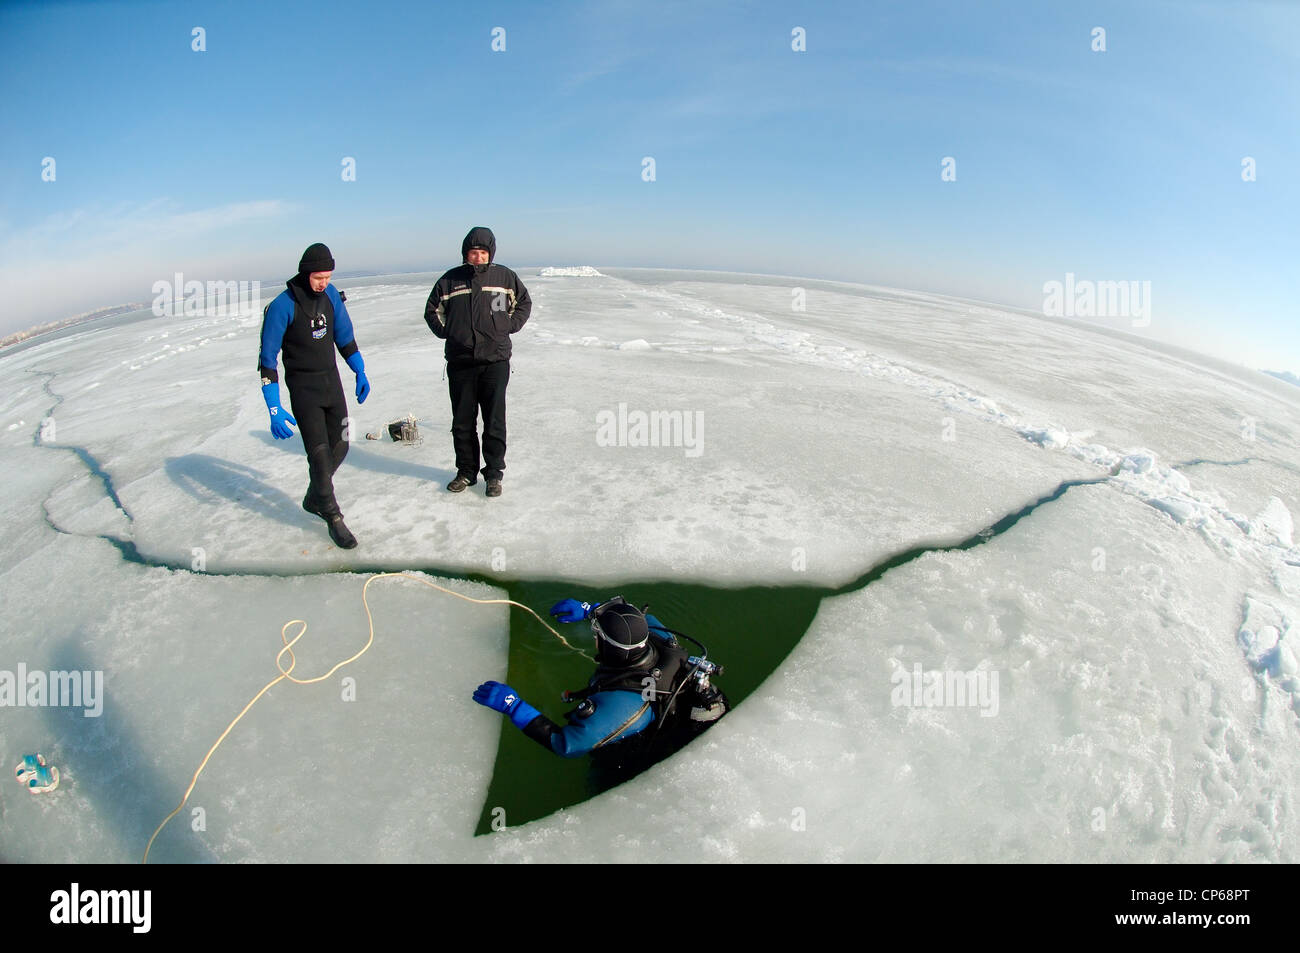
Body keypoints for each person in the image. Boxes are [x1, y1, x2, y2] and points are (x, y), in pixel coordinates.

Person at [472, 597, 727, 765]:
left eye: (597, 634)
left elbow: (568, 744)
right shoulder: (659, 638)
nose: (593, 636)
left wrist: (514, 706)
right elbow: (634, 615)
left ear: (608, 647)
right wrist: (591, 610)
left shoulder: (625, 705)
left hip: (634, 748)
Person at [258, 242, 371, 549]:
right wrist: (274, 407)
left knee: (342, 445)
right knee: (319, 455)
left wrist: (359, 370)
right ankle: (333, 516)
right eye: (319, 277)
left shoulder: (332, 296)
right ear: (306, 273)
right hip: (304, 389)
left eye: (329, 277)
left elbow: (345, 337)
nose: (324, 283)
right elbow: (268, 360)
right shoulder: (282, 306)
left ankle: (314, 496)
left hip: (331, 383)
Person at [423, 226, 531, 498]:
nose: (478, 257)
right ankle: (466, 472)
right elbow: (432, 311)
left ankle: (494, 474)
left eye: (483, 252)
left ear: (490, 253)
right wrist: (450, 332)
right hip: (461, 363)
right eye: (474, 252)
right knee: (462, 421)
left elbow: (523, 304)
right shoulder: (450, 280)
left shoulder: (503, 277)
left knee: (494, 421)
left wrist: (508, 325)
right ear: (465, 254)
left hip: (495, 361)